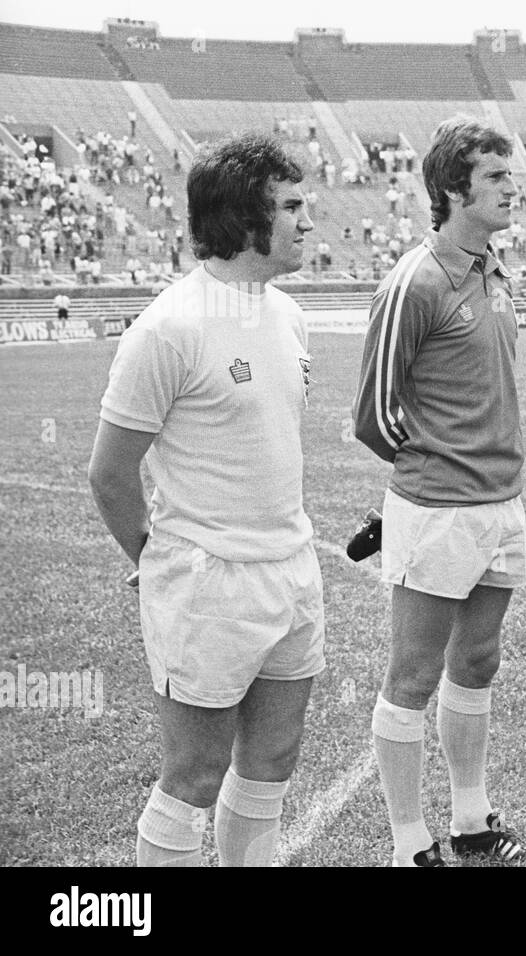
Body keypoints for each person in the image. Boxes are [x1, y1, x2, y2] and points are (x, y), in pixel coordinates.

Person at [88, 132, 321, 867]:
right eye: (290, 207)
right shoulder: (169, 327)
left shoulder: (285, 313)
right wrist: (154, 559)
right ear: (244, 218)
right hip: (208, 581)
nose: (306, 222)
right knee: (192, 777)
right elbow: (110, 472)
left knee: (272, 764)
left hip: (291, 567)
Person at [352, 115, 526, 866]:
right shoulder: (415, 279)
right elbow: (373, 413)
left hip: (502, 504)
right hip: (435, 511)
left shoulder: (494, 269)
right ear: (452, 187)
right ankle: (408, 843)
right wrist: (434, 472)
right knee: (414, 672)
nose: (510, 187)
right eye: (495, 176)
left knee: (479, 661)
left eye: (510, 173)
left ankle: (469, 819)